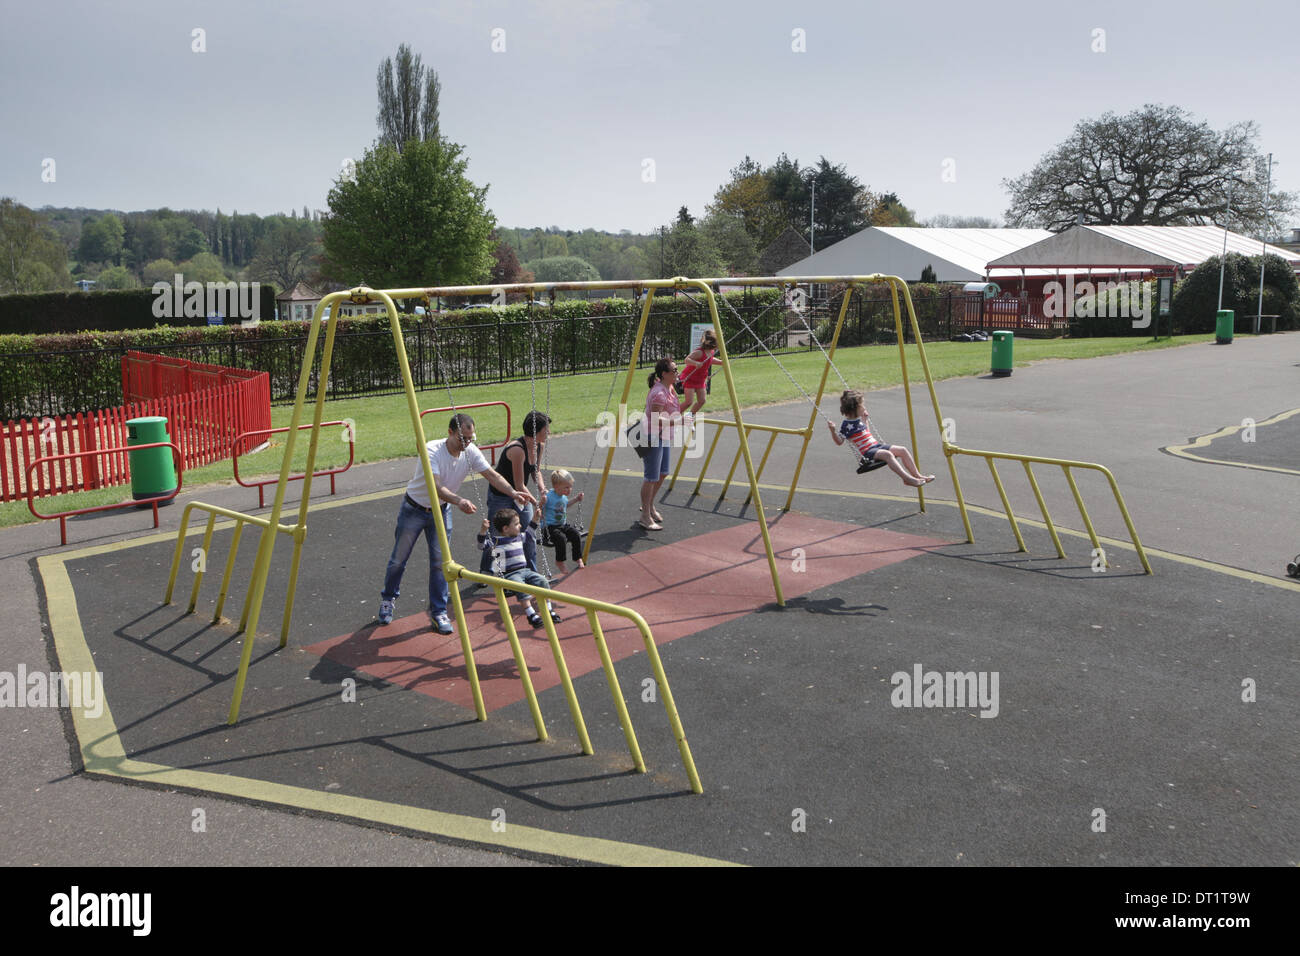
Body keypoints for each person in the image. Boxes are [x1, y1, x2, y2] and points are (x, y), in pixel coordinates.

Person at [379, 413, 536, 634]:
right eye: (463, 438)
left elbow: (491, 475)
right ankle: (388, 599)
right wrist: (458, 500)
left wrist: (512, 492)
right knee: (399, 559)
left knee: (440, 562)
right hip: (414, 509)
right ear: (450, 432)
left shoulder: (469, 450)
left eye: (471, 438)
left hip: (441, 511)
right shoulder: (432, 450)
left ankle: (439, 611)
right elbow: (436, 487)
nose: (467, 443)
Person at [478, 410, 550, 577]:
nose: (549, 433)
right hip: (501, 495)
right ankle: (485, 571)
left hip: (520, 495)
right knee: (497, 533)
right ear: (536, 430)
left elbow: (535, 471)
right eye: (546, 429)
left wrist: (542, 489)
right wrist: (534, 502)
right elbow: (518, 484)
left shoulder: (539, 446)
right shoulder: (517, 449)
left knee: (528, 531)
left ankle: (533, 572)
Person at [827, 388, 935, 487]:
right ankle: (907, 479)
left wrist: (865, 420)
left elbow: (867, 433)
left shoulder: (859, 420)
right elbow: (839, 441)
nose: (864, 407)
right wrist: (833, 430)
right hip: (866, 453)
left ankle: (918, 475)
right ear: (855, 408)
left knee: (902, 450)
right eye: (862, 405)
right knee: (887, 454)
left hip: (876, 447)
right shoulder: (846, 425)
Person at [477, 509, 562, 630]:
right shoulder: (496, 541)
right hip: (510, 575)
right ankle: (531, 614)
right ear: (506, 528)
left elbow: (531, 530)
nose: (520, 525)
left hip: (525, 570)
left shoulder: (519, 537)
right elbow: (481, 546)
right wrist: (483, 530)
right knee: (521, 587)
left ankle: (549, 610)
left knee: (542, 581)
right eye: (516, 524)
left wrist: (535, 518)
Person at [639, 357, 682, 530]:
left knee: (663, 472)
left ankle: (649, 506)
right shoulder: (659, 393)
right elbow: (656, 420)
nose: (677, 373)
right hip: (651, 436)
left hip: (662, 436)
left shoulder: (669, 388)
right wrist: (678, 421)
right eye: (675, 370)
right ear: (664, 374)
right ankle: (644, 516)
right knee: (651, 477)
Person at [543, 468, 585, 574]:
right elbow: (539, 507)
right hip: (550, 527)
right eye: (567, 487)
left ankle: (577, 557)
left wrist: (576, 499)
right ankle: (560, 561)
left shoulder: (563, 496)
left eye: (570, 487)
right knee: (561, 539)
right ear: (556, 486)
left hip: (562, 524)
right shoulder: (548, 496)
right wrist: (541, 502)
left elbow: (566, 505)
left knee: (576, 534)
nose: (569, 490)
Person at [679, 329, 722, 418]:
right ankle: (674, 416)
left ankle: (689, 417)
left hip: (700, 380)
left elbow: (709, 360)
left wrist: (721, 362)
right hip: (690, 378)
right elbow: (686, 360)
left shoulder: (711, 352)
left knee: (702, 401)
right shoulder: (699, 352)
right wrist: (695, 363)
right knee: (688, 402)